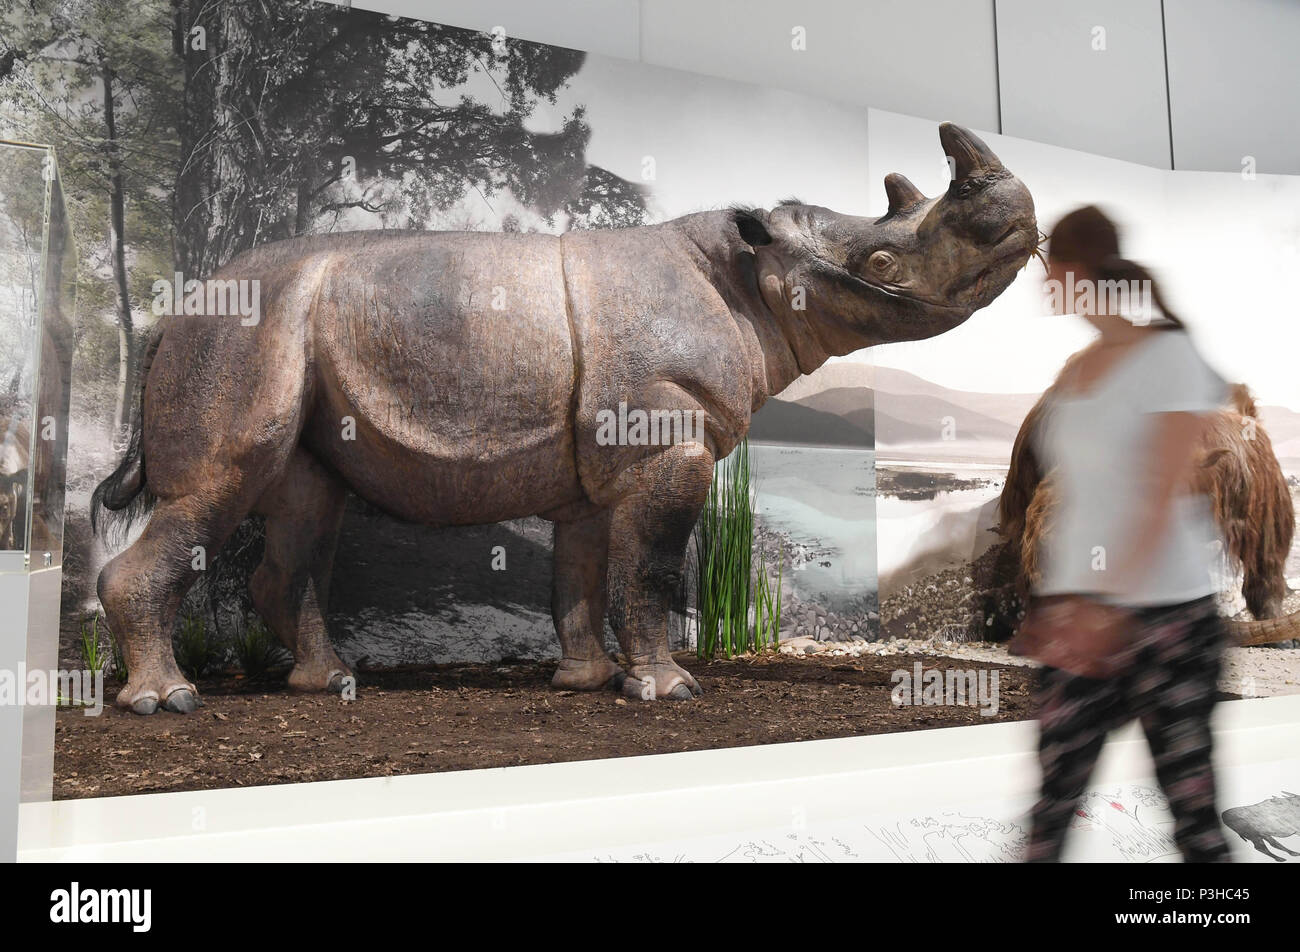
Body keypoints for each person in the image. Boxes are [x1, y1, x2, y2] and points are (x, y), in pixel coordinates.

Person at [1024, 205, 1232, 862]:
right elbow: (1084, 504)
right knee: (1050, 816)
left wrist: (1103, 605)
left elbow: (1160, 497)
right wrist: (1060, 605)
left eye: (1047, 267)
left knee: (1193, 821)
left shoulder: (1170, 356)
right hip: (1076, 624)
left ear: (1073, 271)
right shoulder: (1074, 372)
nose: (1042, 282)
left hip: (1166, 624)